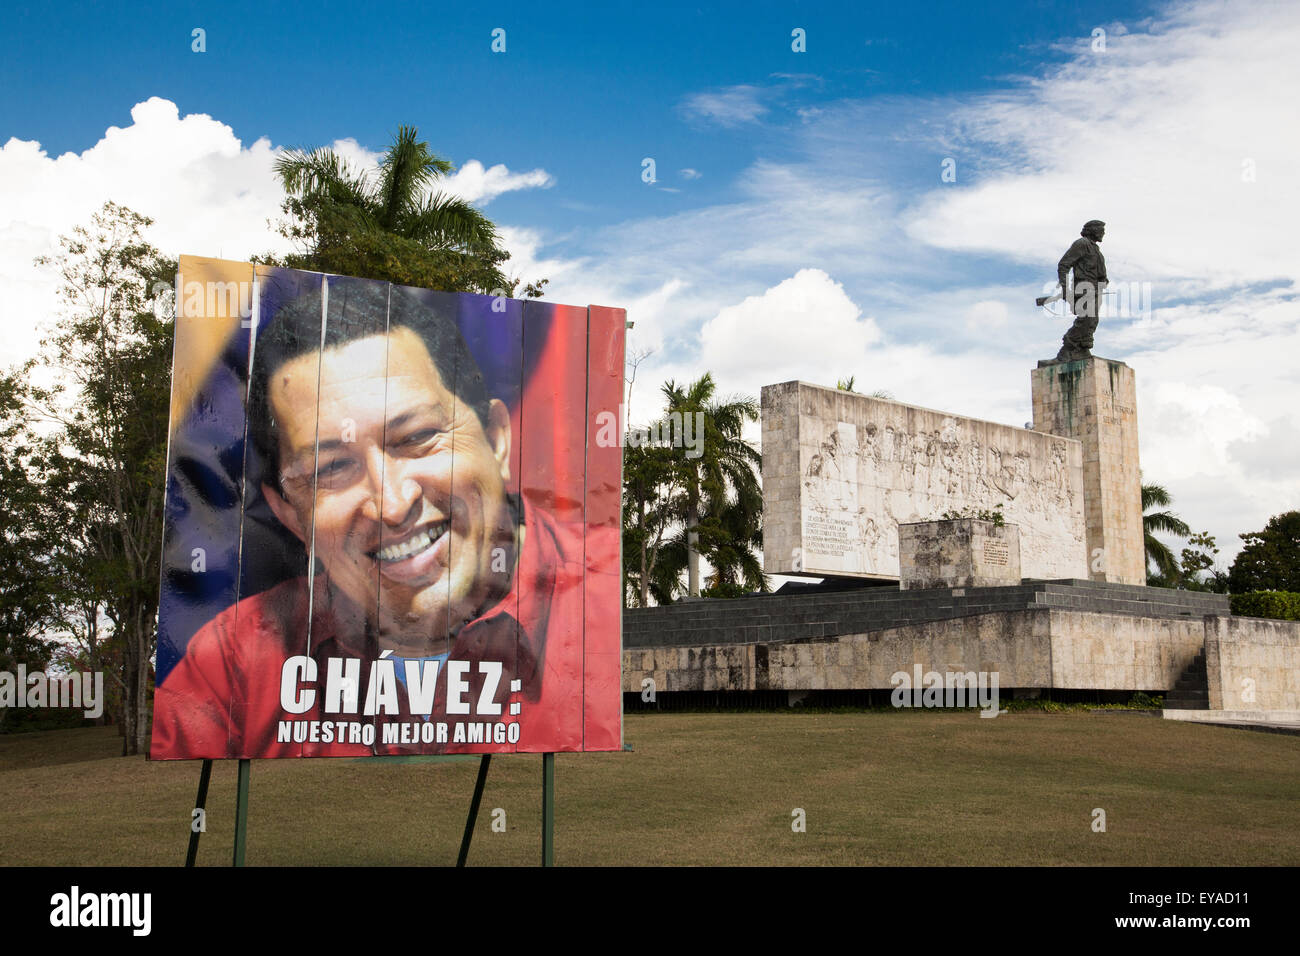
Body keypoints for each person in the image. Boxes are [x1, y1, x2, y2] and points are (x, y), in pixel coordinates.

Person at [151, 281, 585, 758]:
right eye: (332, 468)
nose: (393, 505)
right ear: (288, 514)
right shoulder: (229, 670)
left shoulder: (599, 610)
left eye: (417, 436)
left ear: (498, 440)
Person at [1053, 219, 1108, 362]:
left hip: (1095, 290)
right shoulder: (1081, 244)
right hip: (1083, 288)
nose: (1103, 233)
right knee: (1085, 318)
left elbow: (1101, 274)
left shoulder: (1095, 249)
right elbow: (1064, 265)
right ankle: (1068, 348)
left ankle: (1083, 348)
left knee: (1092, 321)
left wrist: (1103, 283)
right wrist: (1065, 288)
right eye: (1101, 229)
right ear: (1093, 230)